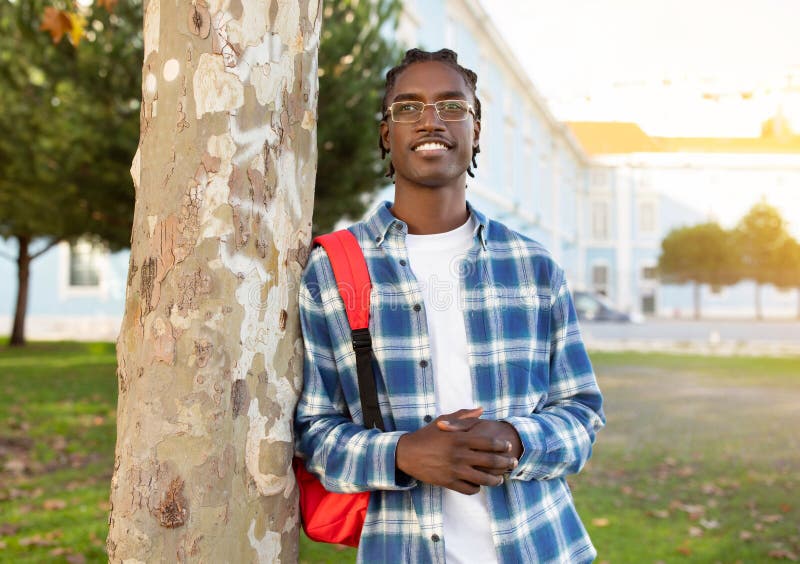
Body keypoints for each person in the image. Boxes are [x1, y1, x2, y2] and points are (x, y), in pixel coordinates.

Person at [294, 48, 605, 563]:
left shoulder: (533, 265)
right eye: (408, 107)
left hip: (544, 546)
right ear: (385, 133)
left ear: (476, 130)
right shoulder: (333, 270)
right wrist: (402, 453)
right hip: (403, 548)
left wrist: (516, 439)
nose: (431, 119)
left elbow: (581, 413)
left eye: (453, 106)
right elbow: (313, 431)